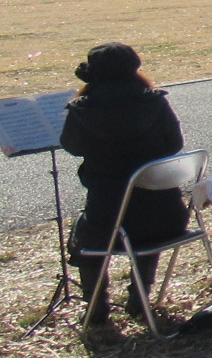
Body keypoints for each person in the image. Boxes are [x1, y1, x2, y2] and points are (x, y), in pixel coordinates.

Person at [60, 43, 189, 325]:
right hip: (166, 219)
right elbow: (175, 144)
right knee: (145, 206)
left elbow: (71, 145)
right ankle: (140, 298)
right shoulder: (154, 100)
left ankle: (96, 306)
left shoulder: (82, 108)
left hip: (108, 222)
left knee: (85, 235)